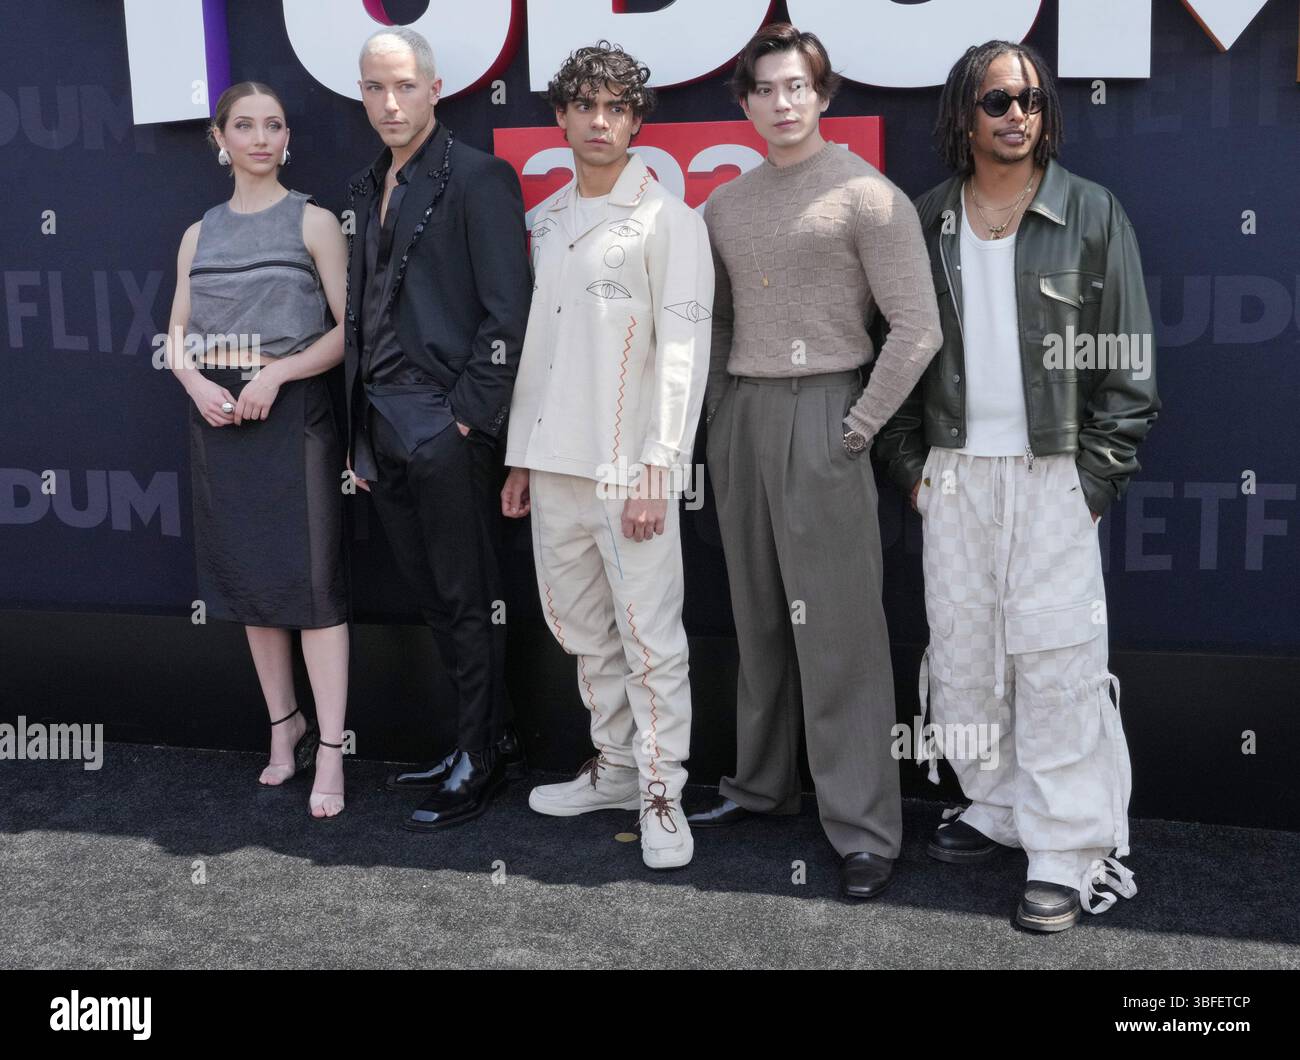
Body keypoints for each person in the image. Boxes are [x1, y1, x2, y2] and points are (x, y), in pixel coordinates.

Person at [876, 40, 1160, 932]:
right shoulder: (925, 222)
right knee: (962, 658)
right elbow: (892, 361)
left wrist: (1091, 483)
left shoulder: (1090, 213)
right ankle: (997, 805)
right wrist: (914, 474)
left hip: (1052, 474)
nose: (1016, 115)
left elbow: (1126, 367)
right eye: (998, 99)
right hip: (953, 474)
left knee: (1056, 665)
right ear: (966, 111)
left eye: (1031, 101)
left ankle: (1066, 849)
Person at [686, 24, 942, 899]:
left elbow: (918, 328)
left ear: (824, 96)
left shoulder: (870, 197)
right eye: (766, 88)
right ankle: (759, 786)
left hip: (829, 411)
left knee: (838, 634)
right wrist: (719, 415)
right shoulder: (723, 205)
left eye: (798, 86)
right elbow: (715, 325)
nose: (783, 102)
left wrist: (860, 425)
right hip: (745, 420)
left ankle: (865, 829)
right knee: (757, 617)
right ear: (747, 102)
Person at [501, 43, 713, 869]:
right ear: (560, 115)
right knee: (584, 631)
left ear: (636, 120)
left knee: (650, 635)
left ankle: (663, 792)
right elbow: (538, 351)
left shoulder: (670, 220)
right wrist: (521, 457)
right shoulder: (547, 220)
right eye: (585, 105)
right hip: (553, 464)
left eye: (617, 108)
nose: (600, 121)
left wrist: (661, 464)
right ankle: (617, 768)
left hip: (633, 471)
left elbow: (684, 352)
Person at [342, 28, 532, 830]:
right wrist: (361, 432)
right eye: (376, 89)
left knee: (466, 598)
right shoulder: (361, 187)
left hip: (442, 425)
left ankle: (480, 758)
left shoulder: (481, 179)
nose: (390, 103)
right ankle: (479, 737)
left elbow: (507, 316)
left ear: (435, 87)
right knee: (432, 598)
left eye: (405, 87)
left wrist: (461, 420)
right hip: (379, 427)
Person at [164, 81, 351, 818]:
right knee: (251, 588)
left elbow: (349, 330)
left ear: (287, 140)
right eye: (245, 125)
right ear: (221, 139)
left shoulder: (313, 222)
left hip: (295, 413)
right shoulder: (198, 233)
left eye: (274, 125)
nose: (261, 137)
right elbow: (175, 335)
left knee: (312, 586)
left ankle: (332, 749)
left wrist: (278, 371)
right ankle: (285, 728)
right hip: (219, 420)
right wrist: (192, 381)